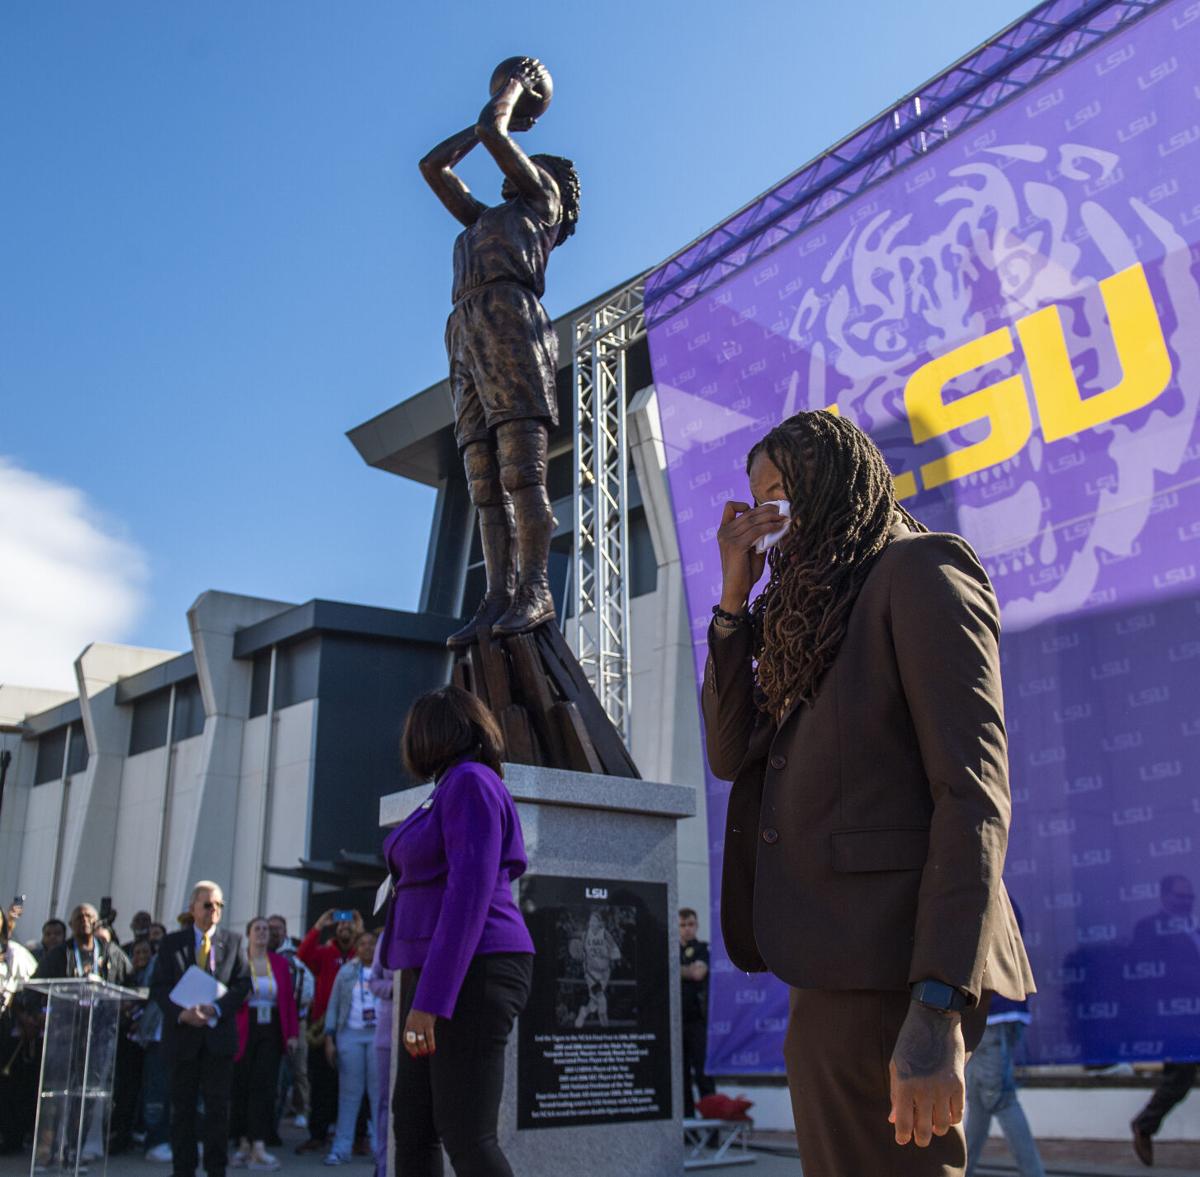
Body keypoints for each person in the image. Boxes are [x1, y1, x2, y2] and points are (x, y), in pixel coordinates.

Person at [705, 411, 1034, 1177]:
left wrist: (936, 1004)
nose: (767, 513)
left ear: (835, 479)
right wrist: (733, 599)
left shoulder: (920, 570)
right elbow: (729, 753)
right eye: (754, 498)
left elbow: (974, 796)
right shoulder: (803, 614)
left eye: (781, 489)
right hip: (825, 968)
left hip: (900, 972)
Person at [419, 58, 581, 645]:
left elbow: (494, 132)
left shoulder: (540, 205)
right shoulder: (486, 219)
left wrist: (516, 88)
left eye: (524, 163)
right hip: (465, 332)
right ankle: (496, 595)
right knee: (482, 480)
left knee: (521, 472)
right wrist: (487, 124)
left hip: (514, 325)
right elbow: (433, 166)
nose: (514, 167)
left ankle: (534, 588)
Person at [381, 685, 535, 1177]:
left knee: (467, 1136)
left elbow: (468, 894)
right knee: (414, 1124)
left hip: (472, 970)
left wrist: (429, 1003)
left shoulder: (471, 782)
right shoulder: (451, 786)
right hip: (440, 973)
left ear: (432, 733)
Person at [151, 881, 251, 1177]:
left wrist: (217, 1008)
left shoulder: (233, 942)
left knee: (218, 1111)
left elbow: (243, 983)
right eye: (207, 905)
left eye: (219, 905)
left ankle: (216, 1169)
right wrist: (182, 1014)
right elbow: (159, 986)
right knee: (182, 1110)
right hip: (182, 1040)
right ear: (192, 908)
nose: (214, 911)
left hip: (217, 1040)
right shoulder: (172, 943)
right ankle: (183, 1170)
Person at [965, 902, 1045, 1176]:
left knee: (999, 1098)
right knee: (978, 1100)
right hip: (995, 1015)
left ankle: (1034, 1173)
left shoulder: (983, 893)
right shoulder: (998, 894)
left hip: (993, 1015)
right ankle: (960, 1171)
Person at [1130, 874, 1200, 1166]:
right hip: (1174, 1017)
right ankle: (1144, 1125)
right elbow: (1145, 974)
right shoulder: (1148, 929)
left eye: (1189, 897)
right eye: (1179, 896)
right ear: (1164, 897)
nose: (1185, 902)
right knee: (1180, 1078)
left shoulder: (1196, 926)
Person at [230, 917, 299, 1172]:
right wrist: (239, 996)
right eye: (257, 929)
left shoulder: (280, 963)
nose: (262, 933)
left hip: (270, 1029)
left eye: (265, 930)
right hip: (244, 1027)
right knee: (242, 1085)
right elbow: (225, 993)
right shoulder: (238, 961)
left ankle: (259, 1143)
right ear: (248, 934)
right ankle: (243, 1143)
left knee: (264, 1086)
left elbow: (289, 1001)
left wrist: (292, 1034)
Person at [295, 909, 362, 1154]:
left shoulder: (361, 953)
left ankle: (359, 1136)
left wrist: (361, 927)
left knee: (356, 1084)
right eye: (341, 926)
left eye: (350, 926)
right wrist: (318, 925)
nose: (345, 929)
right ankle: (318, 1133)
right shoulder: (325, 952)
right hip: (323, 1025)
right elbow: (302, 955)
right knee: (322, 1082)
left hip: (356, 1025)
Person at [322, 931, 380, 1167]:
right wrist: (329, 1037)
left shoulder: (386, 970)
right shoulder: (346, 972)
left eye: (371, 944)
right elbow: (333, 1005)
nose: (367, 948)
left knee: (379, 1095)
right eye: (362, 943)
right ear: (356, 948)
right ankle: (341, 1148)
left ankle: (381, 1149)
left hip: (377, 1035)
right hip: (350, 1035)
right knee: (349, 1094)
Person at [267, 914, 314, 1133]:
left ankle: (302, 1108)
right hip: (270, 1019)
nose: (274, 932)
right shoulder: (260, 954)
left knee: (298, 1068)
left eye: (278, 928)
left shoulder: (293, 960)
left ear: (285, 931)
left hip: (296, 1019)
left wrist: (293, 1009)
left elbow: (307, 990)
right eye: (270, 928)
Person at [35, 902, 132, 983]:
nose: (84, 920)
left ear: (97, 922)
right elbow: (36, 986)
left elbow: (131, 981)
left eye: (89, 916)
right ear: (71, 924)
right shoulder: (57, 954)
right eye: (79, 918)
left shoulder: (112, 952)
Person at [678, 907, 716, 1119]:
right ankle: (686, 1130)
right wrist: (686, 970)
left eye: (690, 924)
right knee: (680, 1078)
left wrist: (676, 969)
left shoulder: (702, 949)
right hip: (676, 1024)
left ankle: (712, 1133)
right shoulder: (671, 949)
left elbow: (698, 973)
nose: (686, 929)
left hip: (698, 1023)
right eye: (682, 925)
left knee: (703, 1075)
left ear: (697, 925)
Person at [367, 936, 394, 1177]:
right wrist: (394, 988)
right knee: (385, 1102)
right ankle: (383, 1164)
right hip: (387, 1034)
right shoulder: (386, 937)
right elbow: (373, 981)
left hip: (422, 1030)